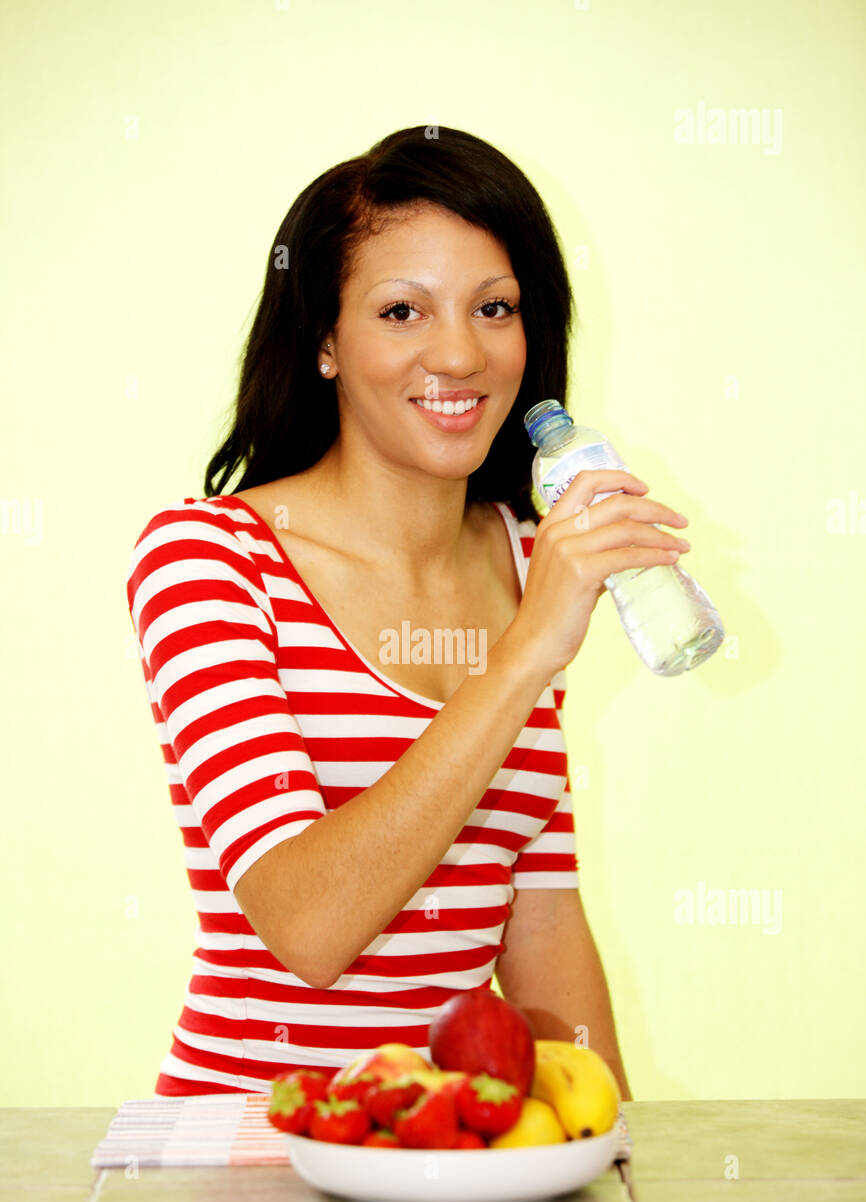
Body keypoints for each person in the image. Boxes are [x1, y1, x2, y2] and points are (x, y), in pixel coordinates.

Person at [126, 126, 689, 1101]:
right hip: (246, 1154)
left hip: (449, 1145)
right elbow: (307, 925)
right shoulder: (210, 557)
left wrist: (614, 1167)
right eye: (401, 310)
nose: (459, 352)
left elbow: (539, 918)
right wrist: (521, 654)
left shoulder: (522, 553)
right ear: (324, 341)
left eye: (493, 307)